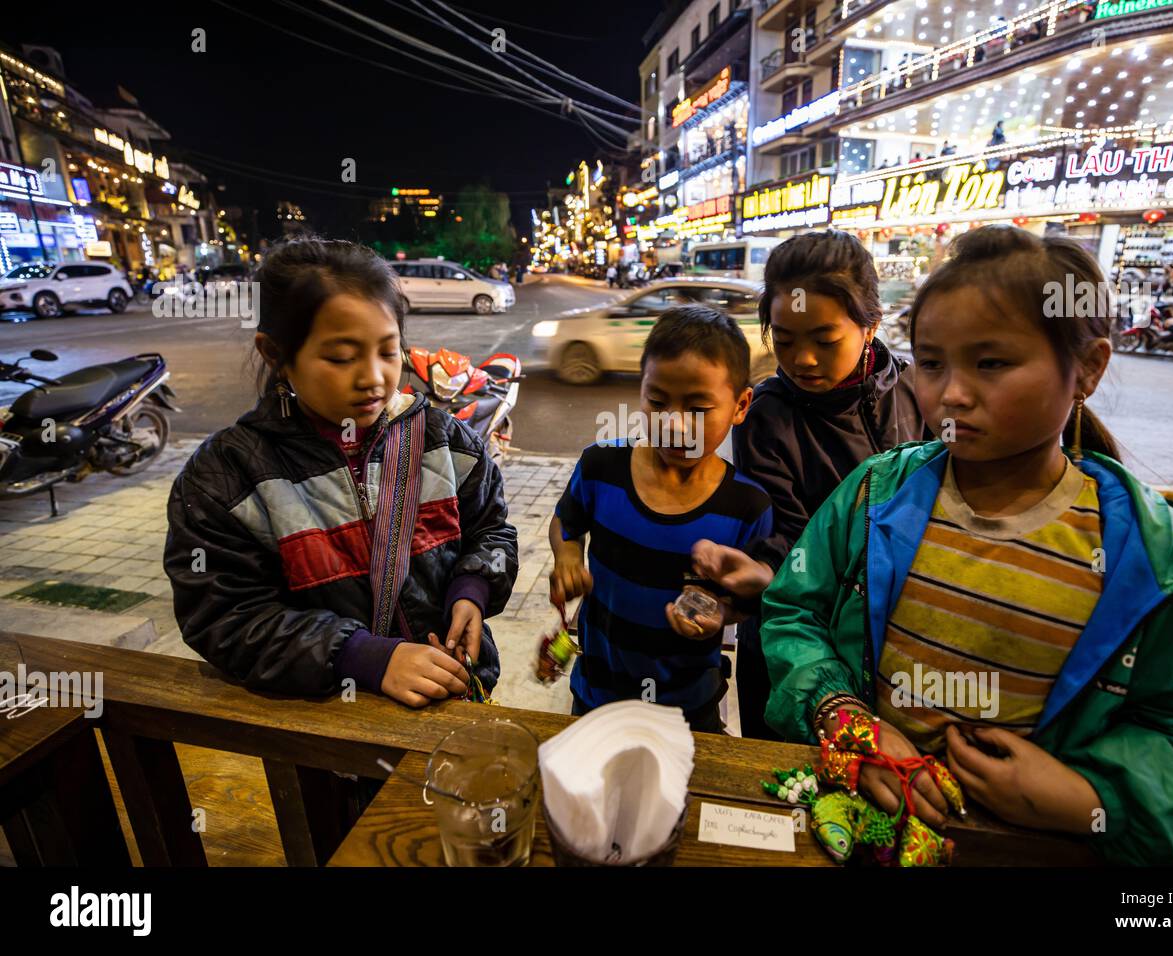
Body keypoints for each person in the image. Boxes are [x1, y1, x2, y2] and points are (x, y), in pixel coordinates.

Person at [761, 225, 1173, 865]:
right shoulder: (874, 495)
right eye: (932, 363)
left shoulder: (1151, 557)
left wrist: (1087, 798)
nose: (953, 394)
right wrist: (847, 721)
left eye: (991, 363)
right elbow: (792, 610)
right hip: (872, 825)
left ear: (1089, 368)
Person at [165, 237, 518, 704]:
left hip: (454, 700)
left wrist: (473, 588)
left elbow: (492, 531)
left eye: (388, 352)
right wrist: (360, 657)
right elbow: (224, 617)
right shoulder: (227, 478)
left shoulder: (444, 440)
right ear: (275, 353)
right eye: (340, 358)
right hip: (329, 728)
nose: (372, 377)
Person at [691, 231, 926, 740]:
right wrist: (761, 573)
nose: (803, 360)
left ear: (871, 326)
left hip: (897, 643)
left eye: (825, 340)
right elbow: (784, 533)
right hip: (790, 638)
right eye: (786, 338)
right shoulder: (767, 414)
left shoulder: (915, 391)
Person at [548, 305, 773, 733]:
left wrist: (721, 615)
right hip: (597, 695)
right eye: (657, 401)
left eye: (698, 407)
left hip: (690, 708)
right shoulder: (601, 467)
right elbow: (566, 523)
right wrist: (567, 557)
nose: (674, 423)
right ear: (641, 392)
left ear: (741, 405)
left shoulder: (749, 506)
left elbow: (747, 601)